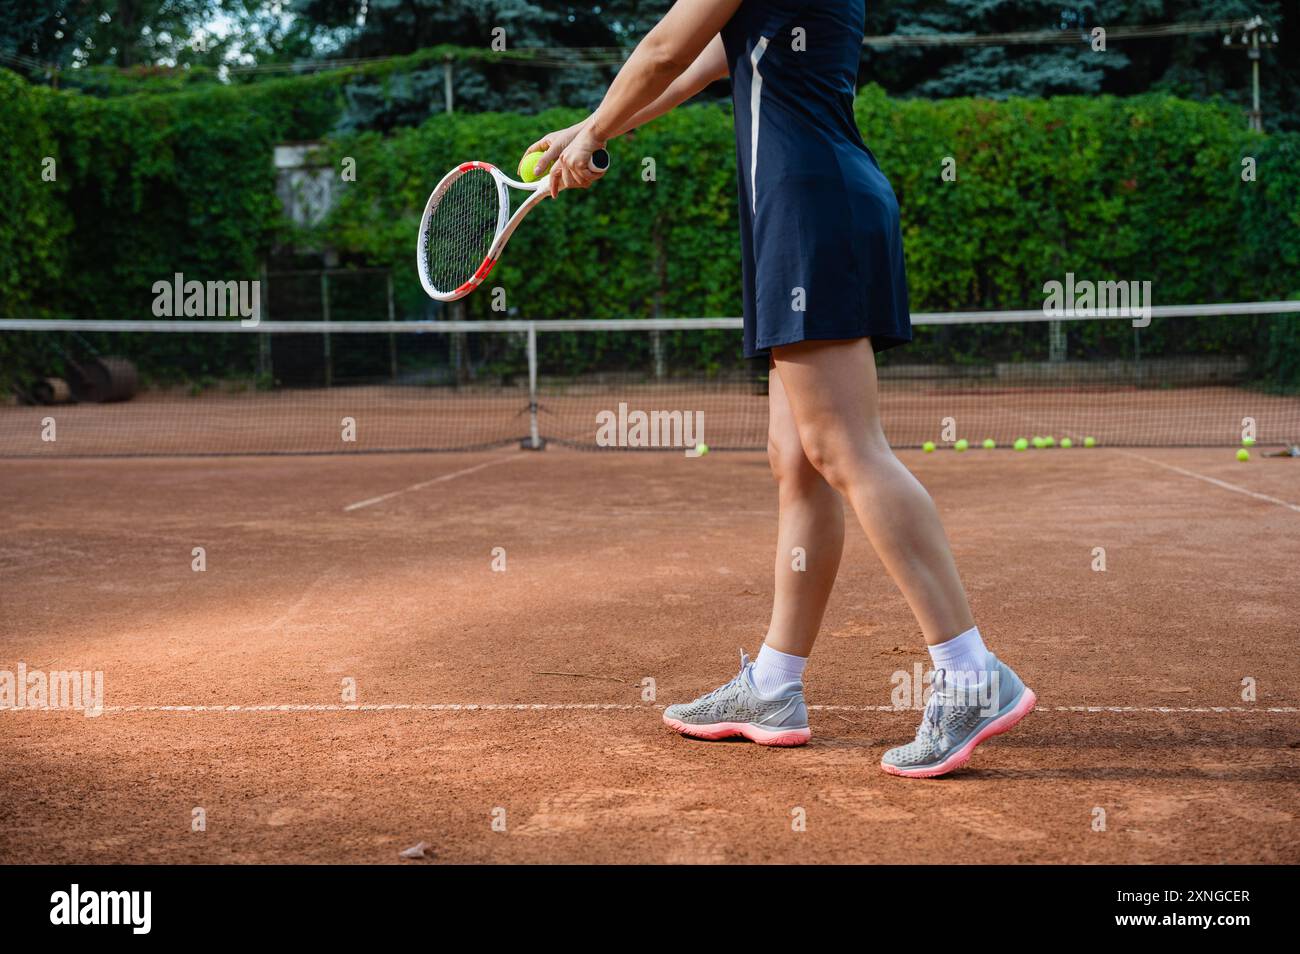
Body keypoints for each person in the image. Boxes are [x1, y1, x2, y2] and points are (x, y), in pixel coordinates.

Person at [525, 0, 1035, 778]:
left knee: (842, 447)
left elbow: (665, 47)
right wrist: (595, 125)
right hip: (815, 197)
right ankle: (773, 685)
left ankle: (970, 674)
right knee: (795, 458)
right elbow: (706, 61)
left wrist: (593, 133)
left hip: (806, 203)